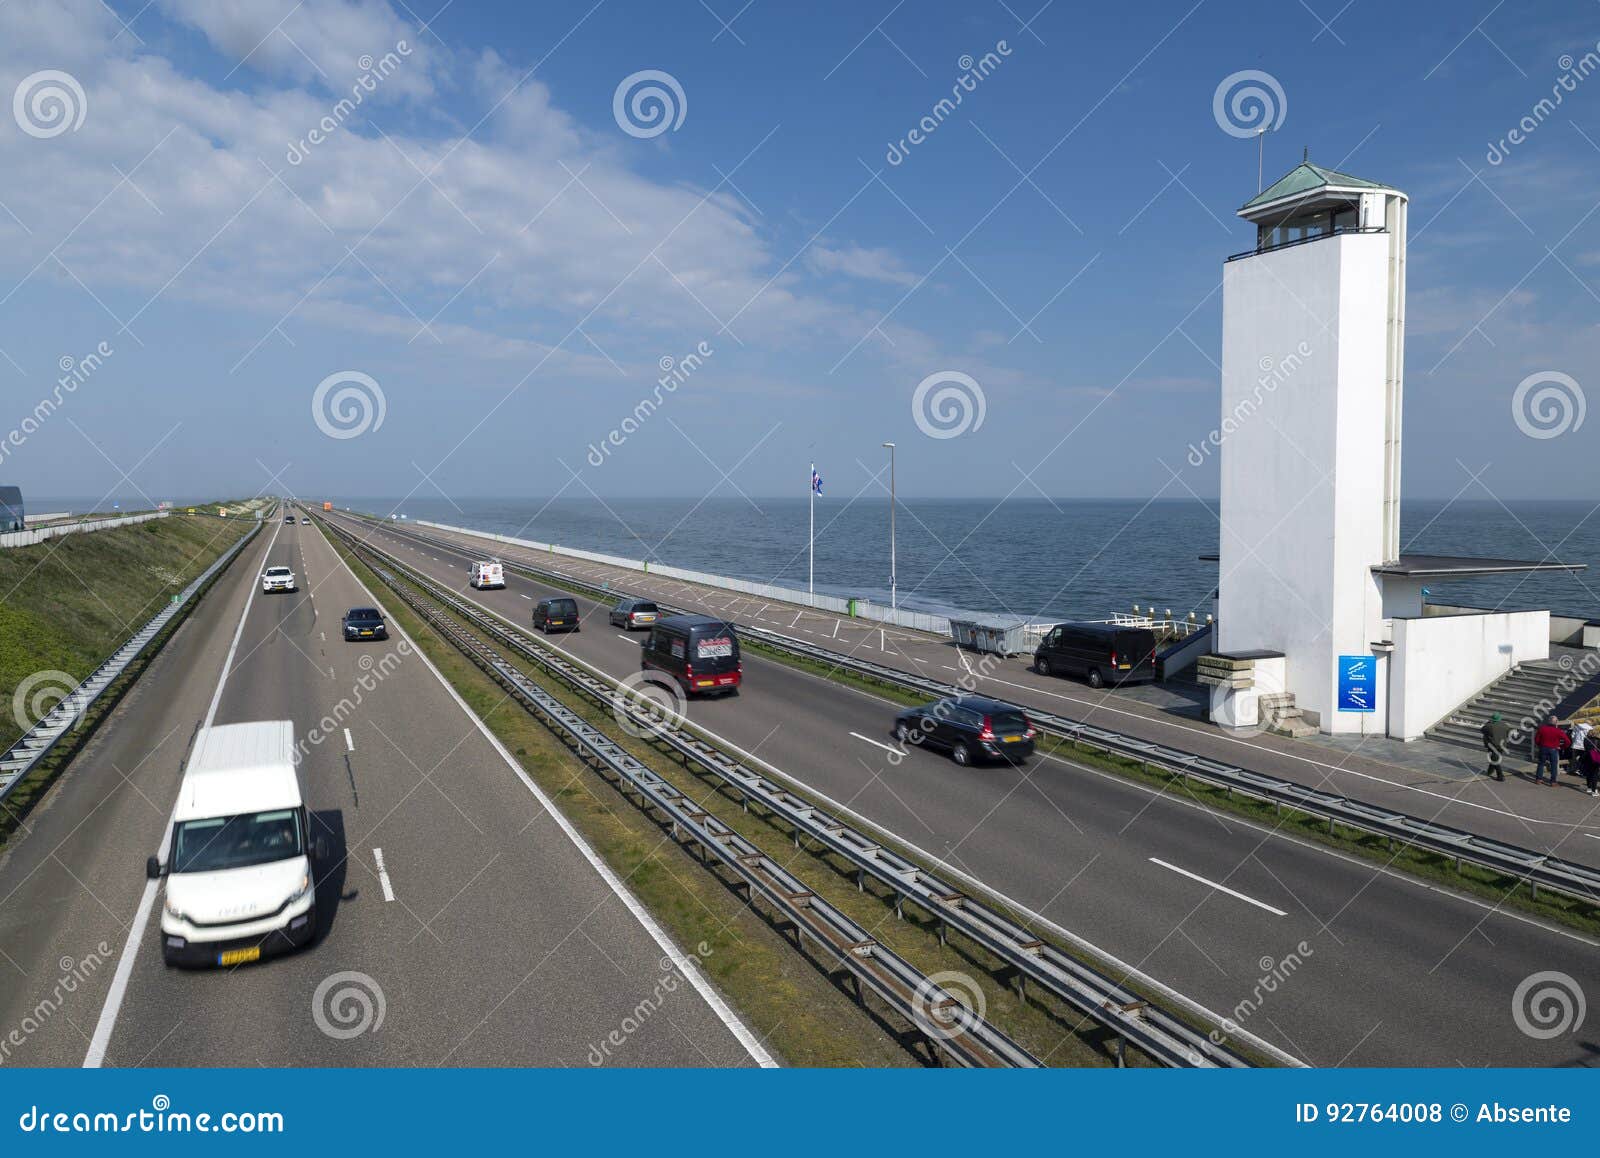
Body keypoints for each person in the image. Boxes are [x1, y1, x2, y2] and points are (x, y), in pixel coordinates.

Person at [1533, 714, 1567, 786]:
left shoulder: (1542, 729)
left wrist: (1540, 745)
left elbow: (1536, 739)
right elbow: (1567, 741)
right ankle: (1553, 782)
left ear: (1548, 721)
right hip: (1553, 749)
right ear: (1556, 722)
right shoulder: (1558, 731)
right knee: (1554, 765)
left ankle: (1538, 779)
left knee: (1541, 764)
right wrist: (1562, 747)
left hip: (1543, 748)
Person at [1482, 713, 1511, 781]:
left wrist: (1488, 722)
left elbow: (1482, 730)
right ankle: (1489, 772)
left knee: (1495, 760)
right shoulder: (1505, 725)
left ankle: (1500, 776)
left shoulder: (1489, 725)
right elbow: (1509, 734)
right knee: (1494, 758)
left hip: (1492, 745)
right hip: (1502, 745)